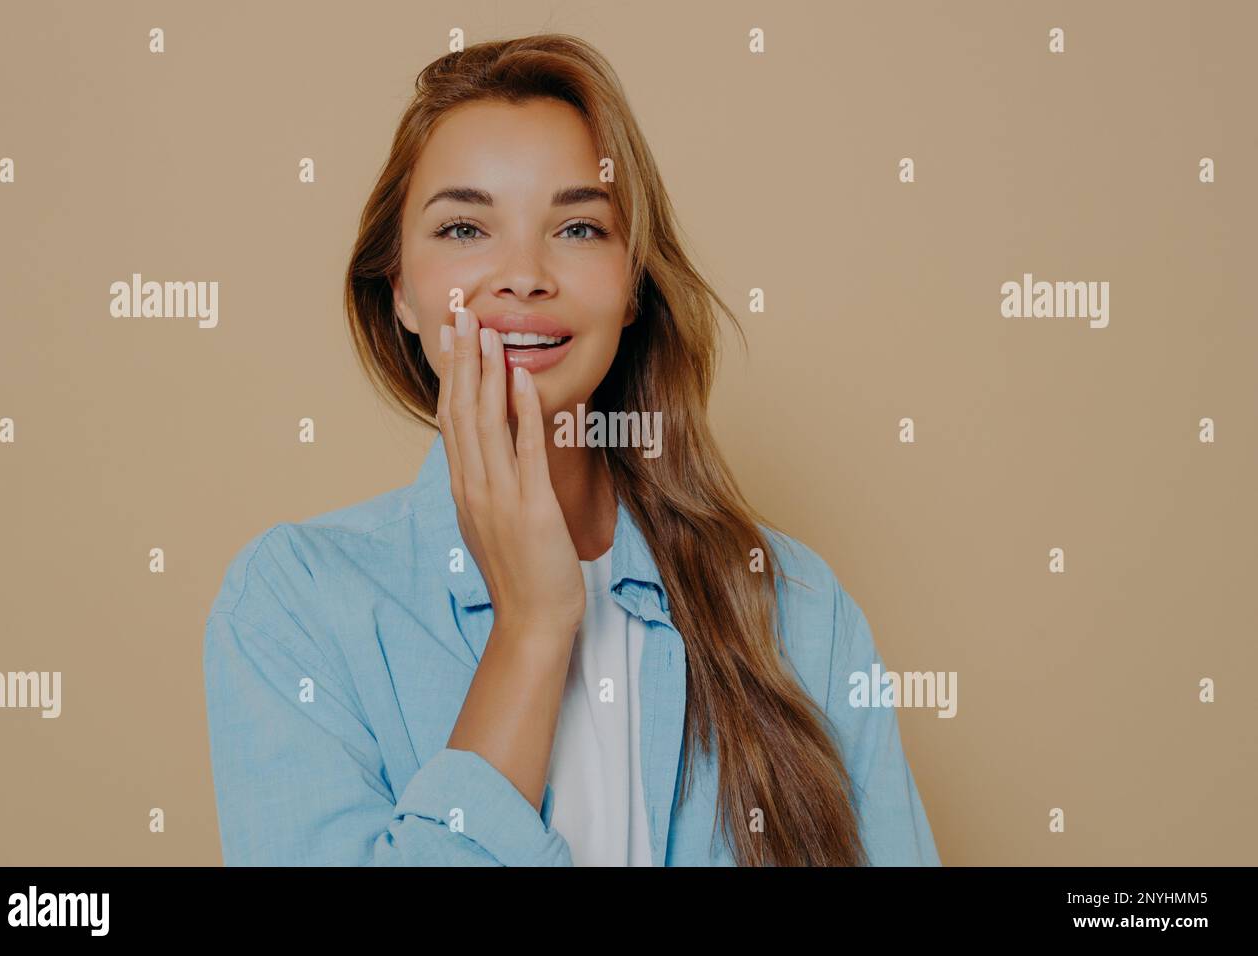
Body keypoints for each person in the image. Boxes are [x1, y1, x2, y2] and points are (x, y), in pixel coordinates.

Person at [202, 33, 940, 867]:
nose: (523, 276)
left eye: (580, 227)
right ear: (401, 291)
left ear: (632, 287)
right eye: (465, 227)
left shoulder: (801, 610)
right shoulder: (294, 608)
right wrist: (532, 629)